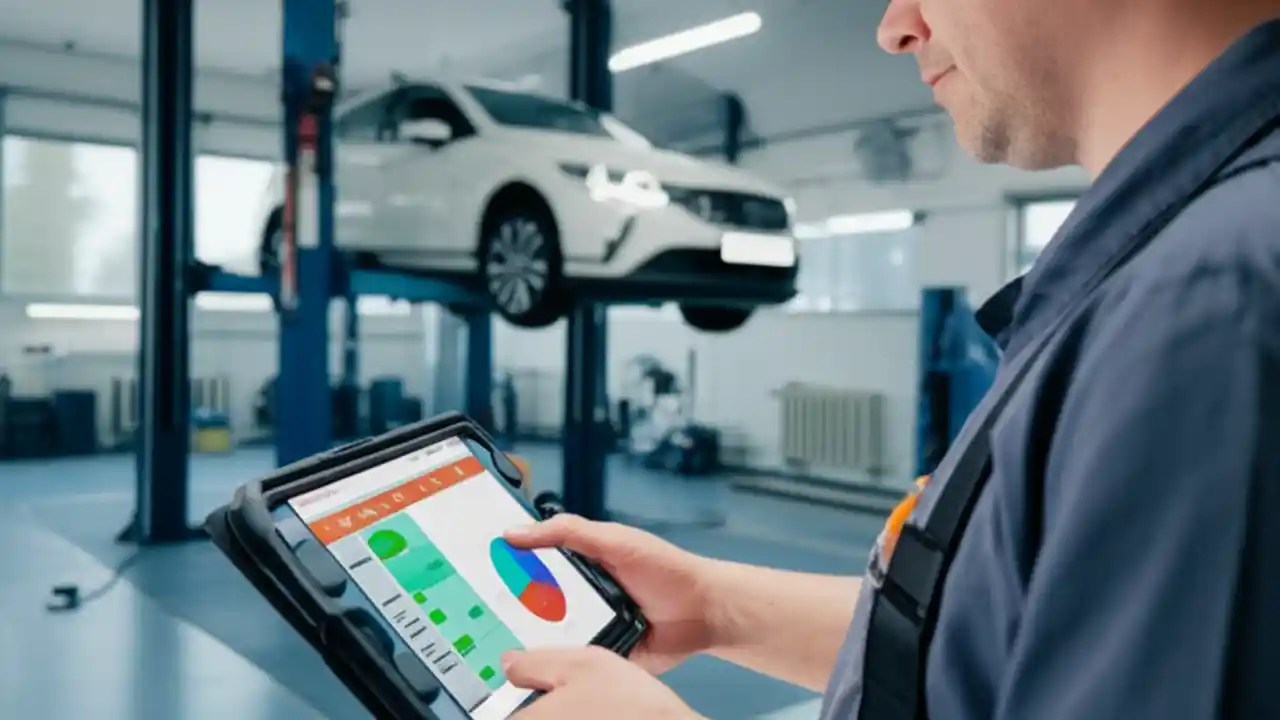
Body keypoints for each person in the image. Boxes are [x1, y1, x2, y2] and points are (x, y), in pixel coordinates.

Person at [500, 0, 1280, 717]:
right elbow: (1003, 630)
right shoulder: (1177, 258)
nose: (894, 25)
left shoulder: (1207, 299)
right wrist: (709, 605)